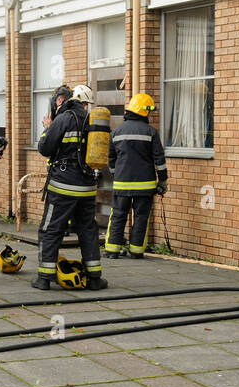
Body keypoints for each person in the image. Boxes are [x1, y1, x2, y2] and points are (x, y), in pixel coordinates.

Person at [34, 83, 105, 290]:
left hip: (62, 187)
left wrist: (47, 128)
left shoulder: (64, 119)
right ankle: (94, 278)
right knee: (87, 230)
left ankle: (44, 278)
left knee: (50, 230)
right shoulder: (93, 121)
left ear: (64, 101)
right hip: (87, 187)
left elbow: (45, 148)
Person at [105, 92, 168, 259]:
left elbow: (111, 159)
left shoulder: (116, 132)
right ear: (143, 111)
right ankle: (137, 251)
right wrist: (162, 181)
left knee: (118, 215)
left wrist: (116, 175)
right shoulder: (151, 133)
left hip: (121, 184)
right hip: (145, 186)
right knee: (141, 217)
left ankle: (112, 250)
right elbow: (159, 160)